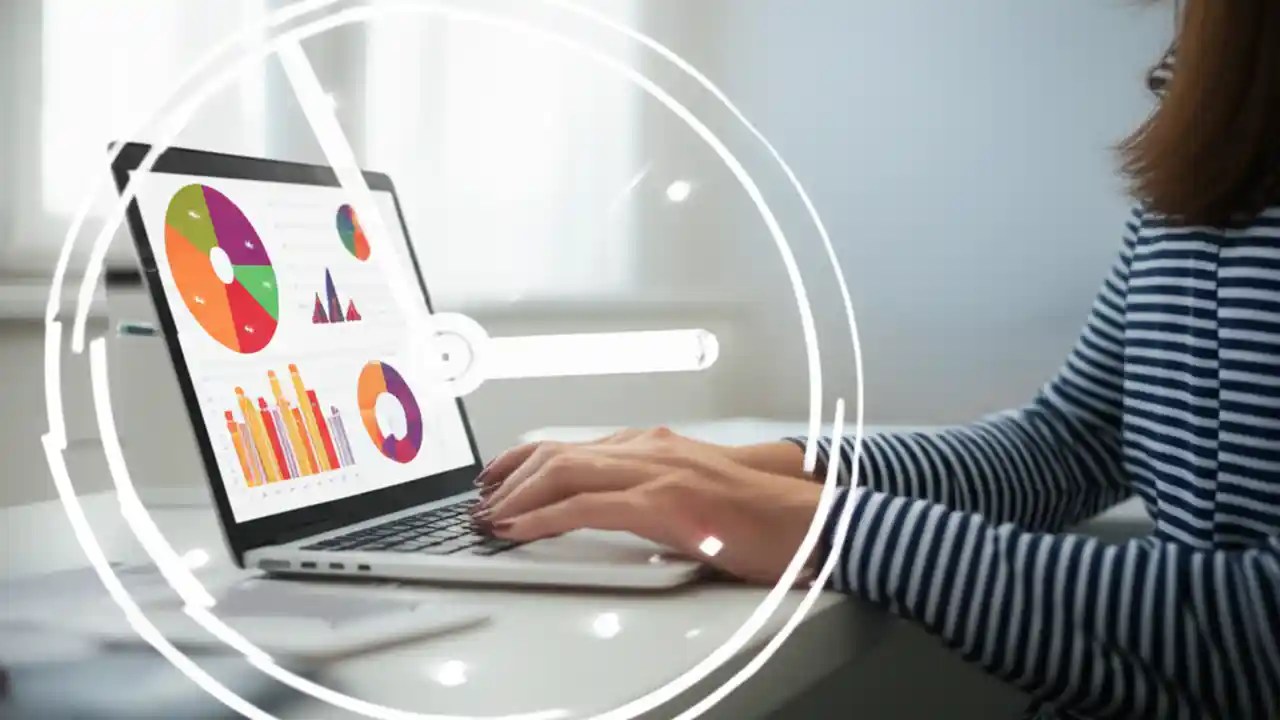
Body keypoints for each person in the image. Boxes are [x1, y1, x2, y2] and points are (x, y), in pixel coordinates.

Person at [470, 1, 1280, 717]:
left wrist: (830, 526)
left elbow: (1259, 639)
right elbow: (1074, 439)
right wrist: (762, 470)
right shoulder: (1227, 110)